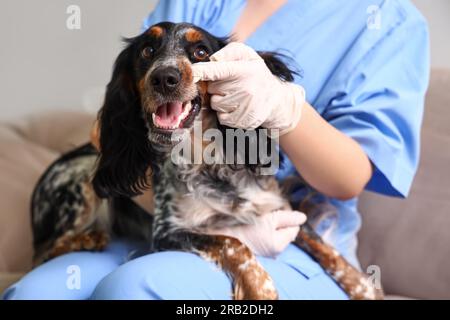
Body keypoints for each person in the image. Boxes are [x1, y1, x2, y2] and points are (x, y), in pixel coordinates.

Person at [3, 0, 429, 300]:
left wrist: (284, 107)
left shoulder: (387, 19)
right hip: (161, 222)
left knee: (137, 288)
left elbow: (350, 178)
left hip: (287, 239)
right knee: (35, 293)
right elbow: (122, 119)